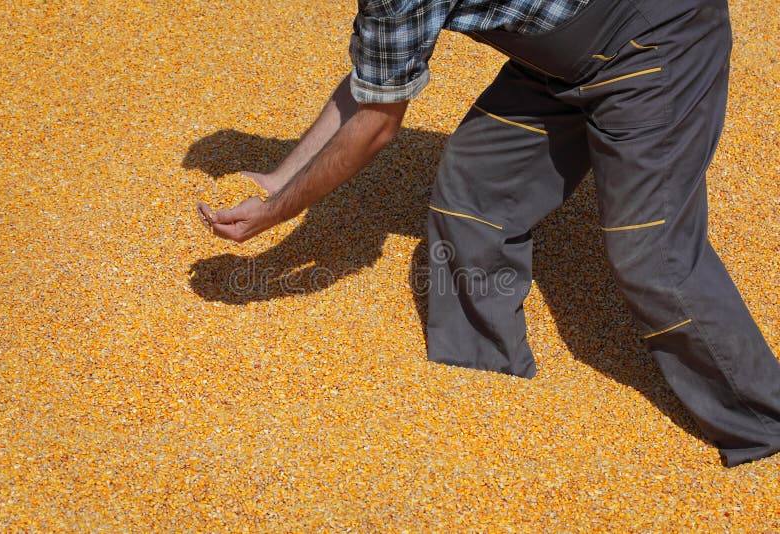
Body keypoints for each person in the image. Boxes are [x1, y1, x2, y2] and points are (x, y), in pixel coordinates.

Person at [196, 0, 780, 467]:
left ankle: (762, 419)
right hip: (559, 60)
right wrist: (279, 179)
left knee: (651, 253)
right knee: (475, 185)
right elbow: (368, 86)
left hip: (658, 42)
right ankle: (483, 383)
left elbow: (375, 125)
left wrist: (276, 214)